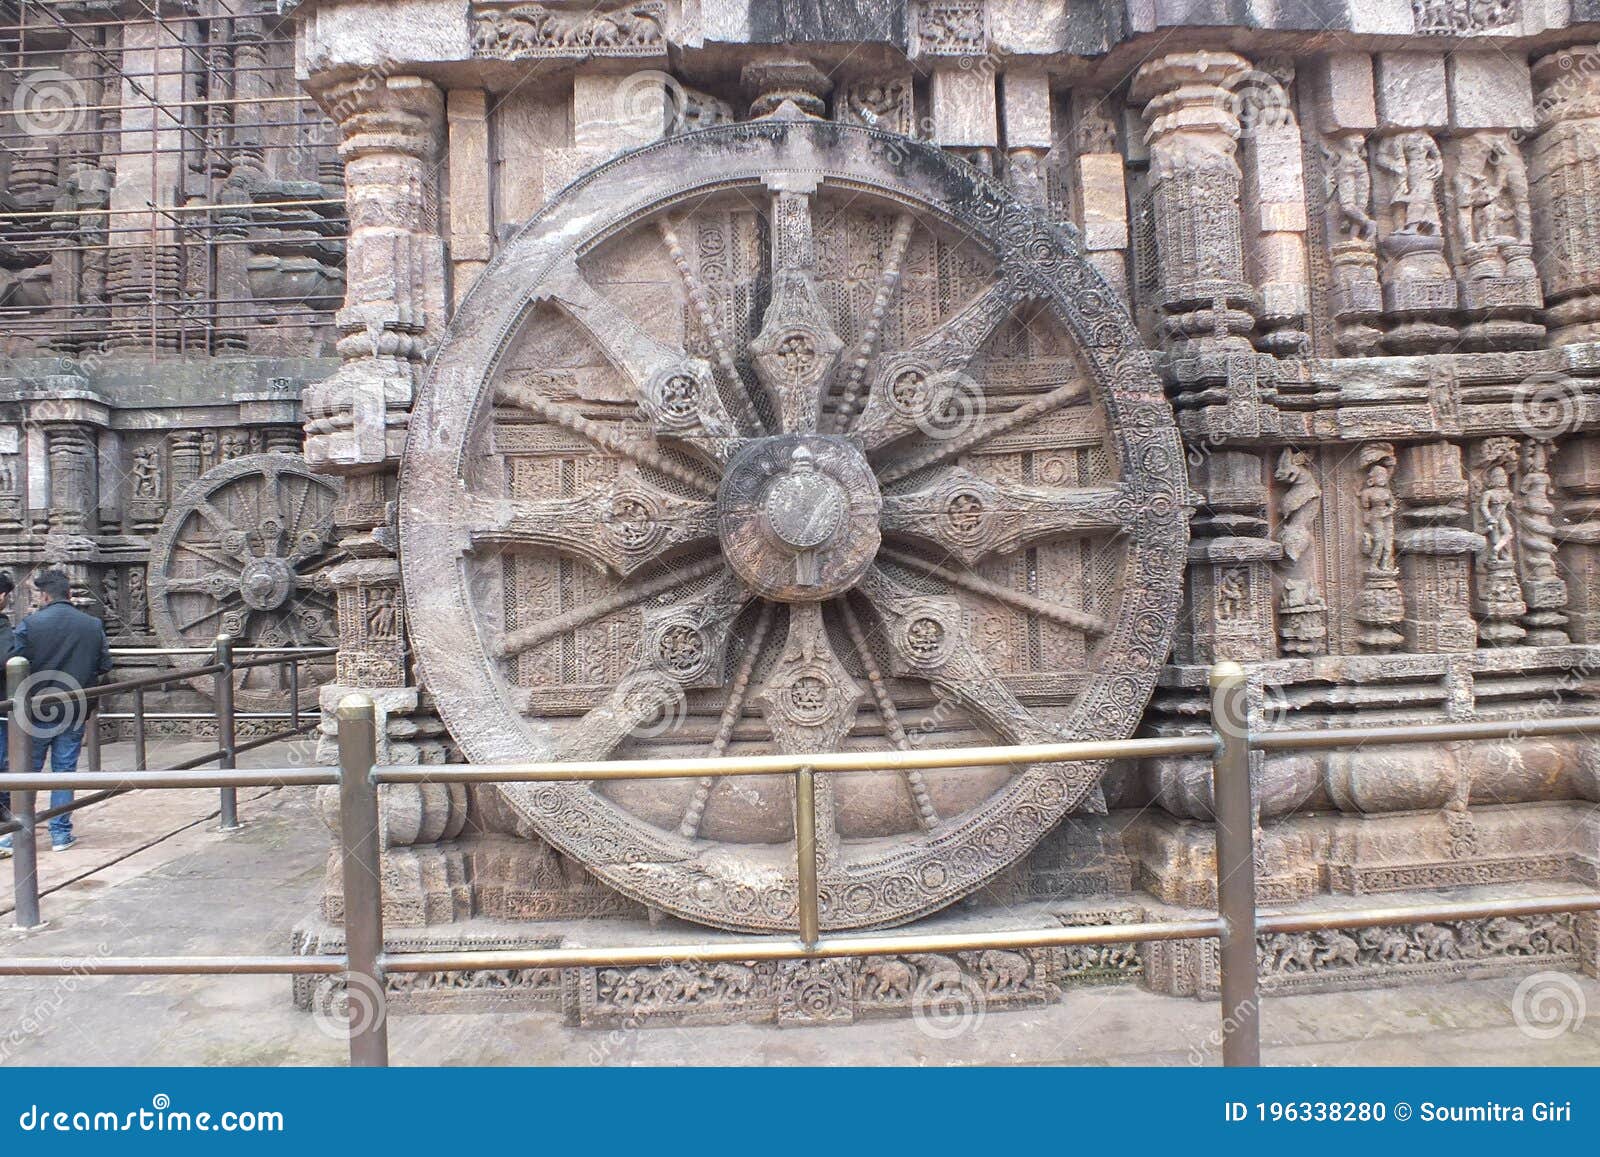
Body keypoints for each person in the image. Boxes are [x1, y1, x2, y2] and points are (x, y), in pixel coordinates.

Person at [1, 569, 112, 854]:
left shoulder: (30, 624)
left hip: (36, 709)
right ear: (70, 594)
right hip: (74, 708)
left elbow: (15, 663)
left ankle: (17, 833)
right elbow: (104, 665)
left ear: (45, 596)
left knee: (27, 771)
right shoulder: (92, 624)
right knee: (65, 770)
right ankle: (61, 834)